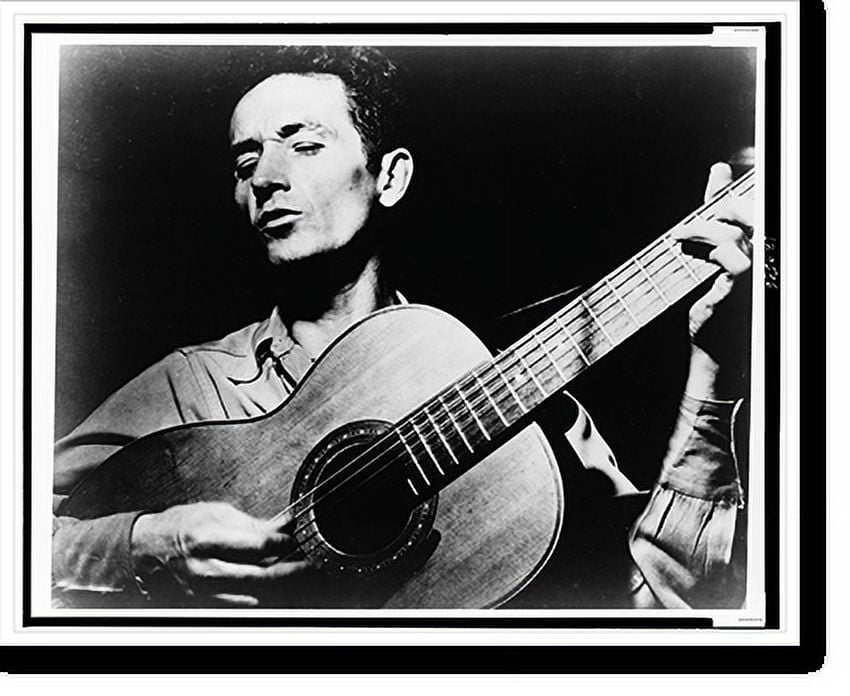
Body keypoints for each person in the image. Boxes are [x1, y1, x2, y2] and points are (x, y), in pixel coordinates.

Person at [52, 46, 753, 609]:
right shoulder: (191, 385)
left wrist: (715, 374)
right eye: (244, 161)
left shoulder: (519, 389)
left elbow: (666, 602)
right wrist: (151, 542)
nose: (263, 177)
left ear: (389, 177)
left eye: (303, 143)